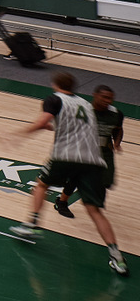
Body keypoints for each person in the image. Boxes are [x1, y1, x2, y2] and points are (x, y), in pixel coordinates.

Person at [10, 70, 126, 276]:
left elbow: (42, 122)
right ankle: (117, 257)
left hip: (66, 155)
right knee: (95, 211)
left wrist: (17, 134)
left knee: (41, 185)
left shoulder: (54, 99)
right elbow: (71, 126)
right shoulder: (85, 105)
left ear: (55, 84)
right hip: (94, 161)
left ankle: (32, 224)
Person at [56, 84, 125, 219]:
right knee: (75, 178)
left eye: (110, 99)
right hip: (83, 149)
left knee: (107, 181)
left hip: (105, 151)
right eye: (104, 97)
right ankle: (62, 202)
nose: (108, 101)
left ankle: (91, 199)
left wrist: (117, 143)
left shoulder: (116, 113)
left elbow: (118, 129)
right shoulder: (83, 111)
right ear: (95, 95)